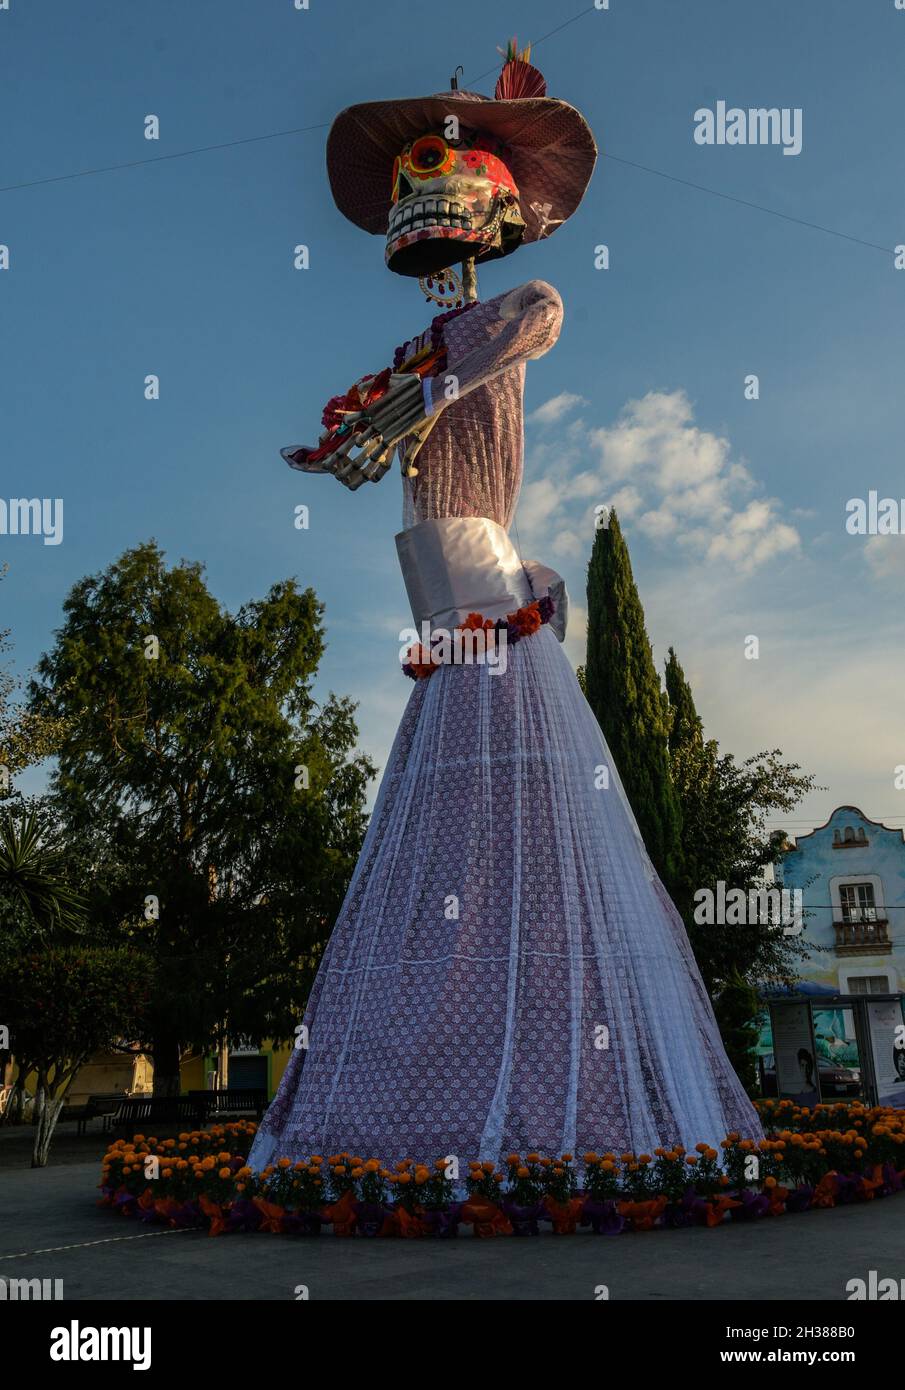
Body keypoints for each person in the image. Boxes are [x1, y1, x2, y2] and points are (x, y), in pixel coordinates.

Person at [248, 44, 762, 1170]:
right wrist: (375, 418)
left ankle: (568, 1093)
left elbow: (541, 305)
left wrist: (450, 377)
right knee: (438, 846)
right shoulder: (413, 356)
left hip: (481, 583)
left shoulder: (483, 331)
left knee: (529, 823)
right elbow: (350, 435)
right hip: (443, 617)